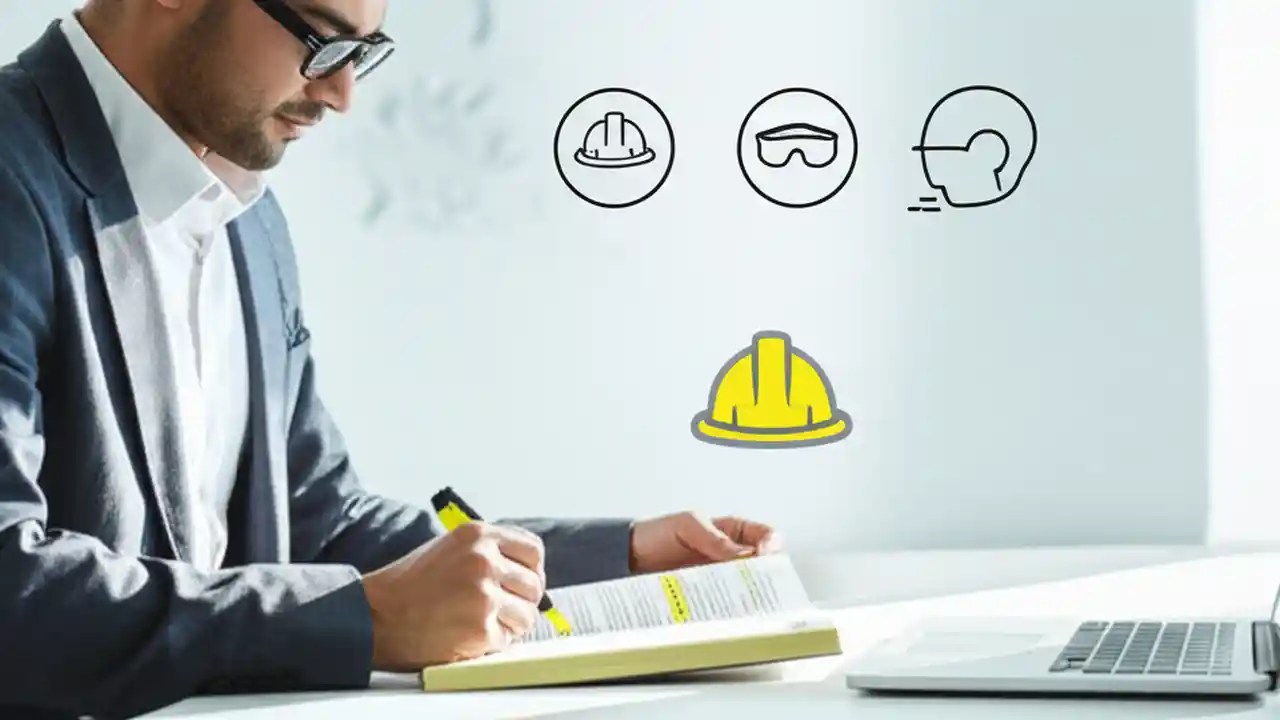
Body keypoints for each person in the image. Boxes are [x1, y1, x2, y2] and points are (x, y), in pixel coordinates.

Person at [0, 2, 782, 717]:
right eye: (321, 41)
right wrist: (362, 618)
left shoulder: (245, 217)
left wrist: (617, 559)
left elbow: (322, 524)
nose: (343, 93)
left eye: (364, 53)